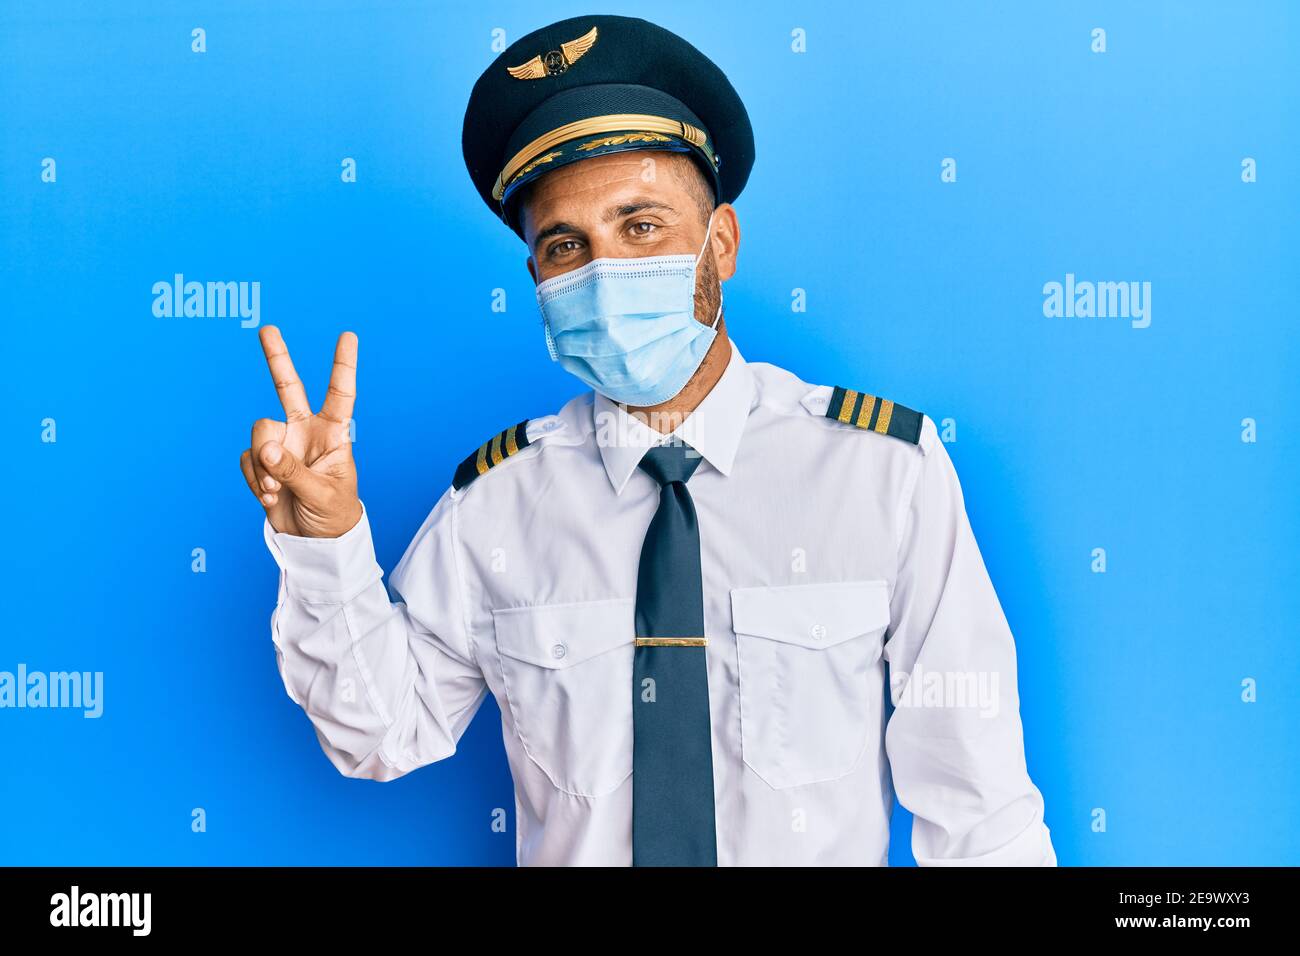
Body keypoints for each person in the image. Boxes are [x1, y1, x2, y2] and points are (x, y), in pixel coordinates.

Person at [238, 14, 1057, 866]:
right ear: (538, 283)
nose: (605, 272)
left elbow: (979, 813)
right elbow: (382, 733)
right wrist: (323, 542)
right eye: (566, 246)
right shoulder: (496, 504)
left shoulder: (884, 473)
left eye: (641, 227)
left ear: (721, 243)